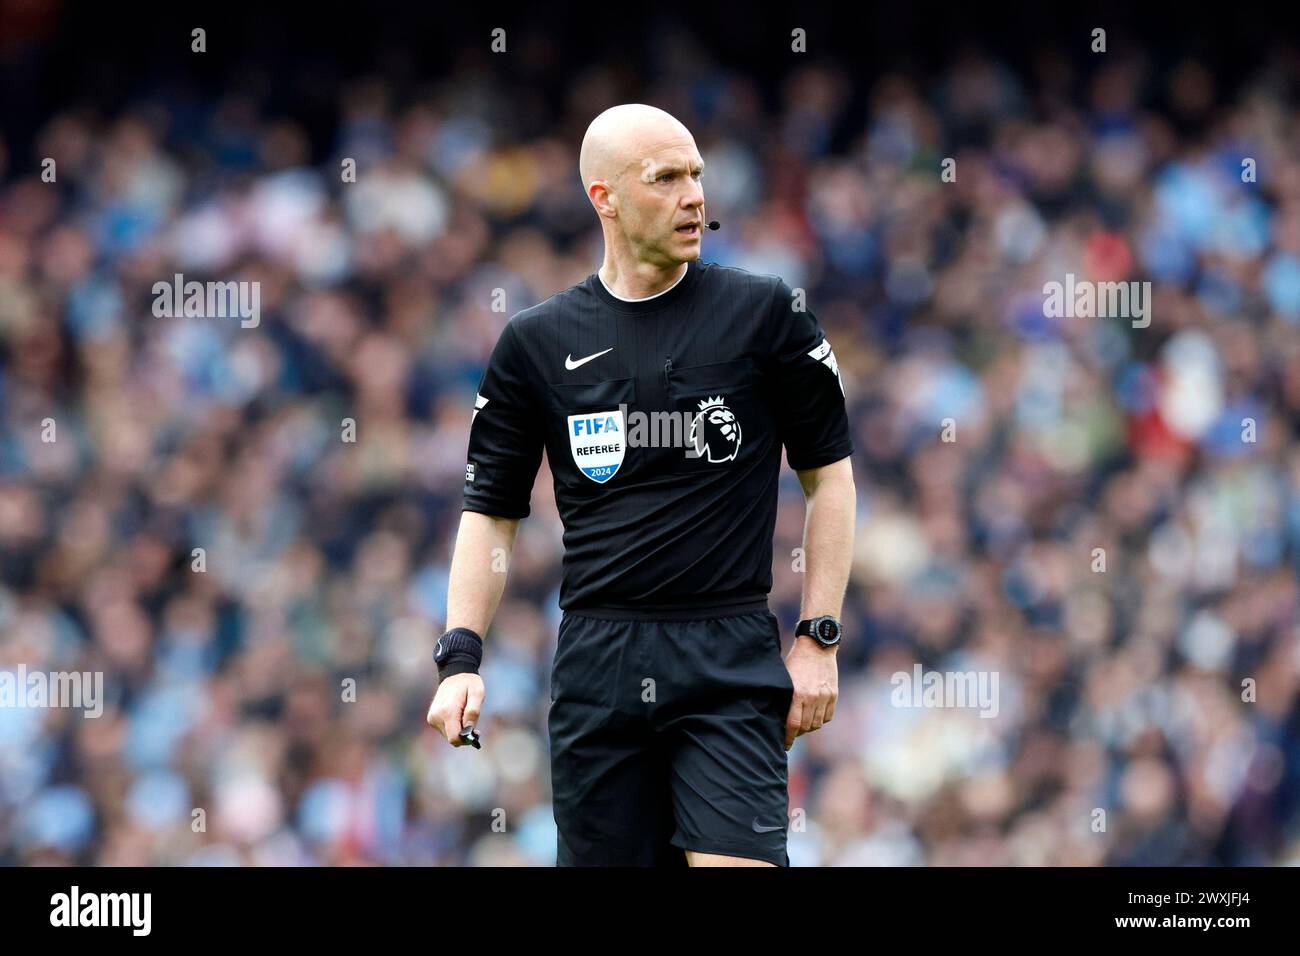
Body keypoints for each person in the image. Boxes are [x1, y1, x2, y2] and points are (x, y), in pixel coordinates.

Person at [426, 103, 856, 866]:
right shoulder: (537, 342)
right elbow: (491, 514)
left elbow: (830, 478)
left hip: (727, 656)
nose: (695, 196)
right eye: (666, 179)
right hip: (600, 661)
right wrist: (462, 658)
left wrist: (818, 637)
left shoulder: (768, 315)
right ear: (606, 197)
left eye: (697, 175)